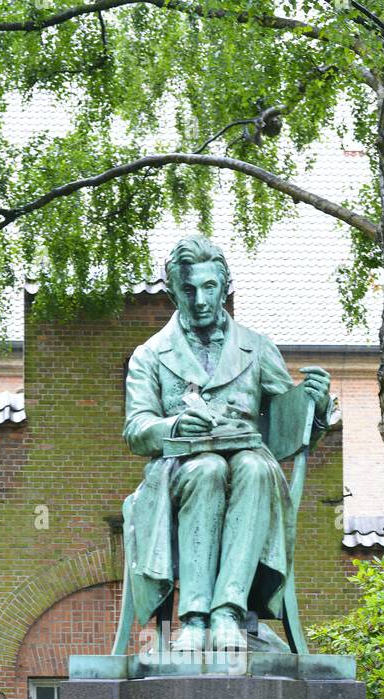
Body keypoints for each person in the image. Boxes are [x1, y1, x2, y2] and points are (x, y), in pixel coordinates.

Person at [122, 234, 332, 650]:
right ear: (173, 293)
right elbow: (136, 429)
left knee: (254, 466)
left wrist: (315, 403)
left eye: (210, 287)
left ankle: (227, 612)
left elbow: (289, 422)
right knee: (208, 469)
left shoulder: (255, 348)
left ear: (224, 286)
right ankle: (195, 617)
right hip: (181, 473)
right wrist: (178, 424)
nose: (200, 299)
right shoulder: (150, 354)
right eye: (188, 289)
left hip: (249, 468)